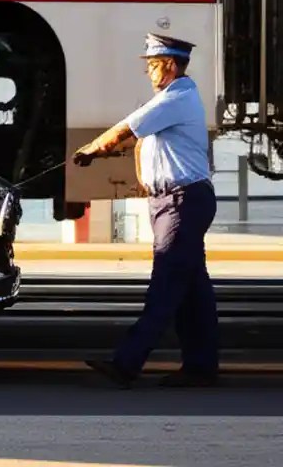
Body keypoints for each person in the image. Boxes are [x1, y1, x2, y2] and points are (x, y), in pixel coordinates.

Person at [72, 33, 218, 388]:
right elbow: (139, 141)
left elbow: (126, 127)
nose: (148, 72)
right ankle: (201, 366)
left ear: (169, 65)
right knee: (192, 290)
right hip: (176, 201)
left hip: (181, 203)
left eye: (152, 65)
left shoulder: (176, 98)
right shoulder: (174, 99)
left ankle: (127, 363)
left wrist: (91, 149)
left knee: (166, 284)